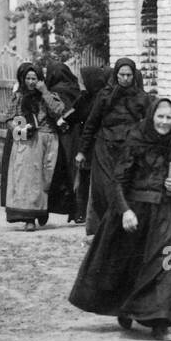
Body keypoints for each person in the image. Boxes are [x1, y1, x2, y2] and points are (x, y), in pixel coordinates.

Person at [69, 97, 171, 341]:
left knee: (169, 263)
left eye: (169, 118)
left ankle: (160, 323)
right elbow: (118, 181)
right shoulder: (136, 139)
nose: (164, 122)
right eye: (160, 116)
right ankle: (125, 307)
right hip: (134, 212)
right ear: (152, 116)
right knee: (128, 266)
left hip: (167, 213)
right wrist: (125, 211)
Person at [76, 57, 149, 236]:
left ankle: (123, 228)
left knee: (126, 188)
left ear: (134, 76)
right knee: (104, 190)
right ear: (116, 75)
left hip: (129, 150)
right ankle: (102, 230)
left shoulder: (141, 98)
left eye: (129, 75)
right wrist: (82, 151)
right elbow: (91, 124)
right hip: (105, 148)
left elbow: (148, 125)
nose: (125, 78)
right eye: (121, 75)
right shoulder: (105, 95)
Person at [0, 62, 65, 231]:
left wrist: (44, 91)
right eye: (27, 78)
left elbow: (58, 110)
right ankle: (29, 218)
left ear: (40, 79)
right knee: (26, 180)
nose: (30, 82)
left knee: (44, 179)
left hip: (47, 141)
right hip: (25, 142)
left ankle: (41, 211)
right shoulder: (18, 96)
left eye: (34, 78)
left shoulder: (49, 95)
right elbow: (8, 118)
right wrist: (18, 128)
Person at [44, 62, 84, 223]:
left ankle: (58, 207)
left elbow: (56, 111)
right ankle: (78, 210)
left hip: (63, 135)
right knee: (76, 172)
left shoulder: (55, 91)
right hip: (78, 133)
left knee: (60, 170)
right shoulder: (76, 89)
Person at [72, 65, 113, 223]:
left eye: (83, 80)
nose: (81, 83)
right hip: (87, 143)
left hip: (95, 145)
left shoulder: (100, 99)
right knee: (84, 178)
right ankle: (81, 212)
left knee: (91, 179)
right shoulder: (85, 97)